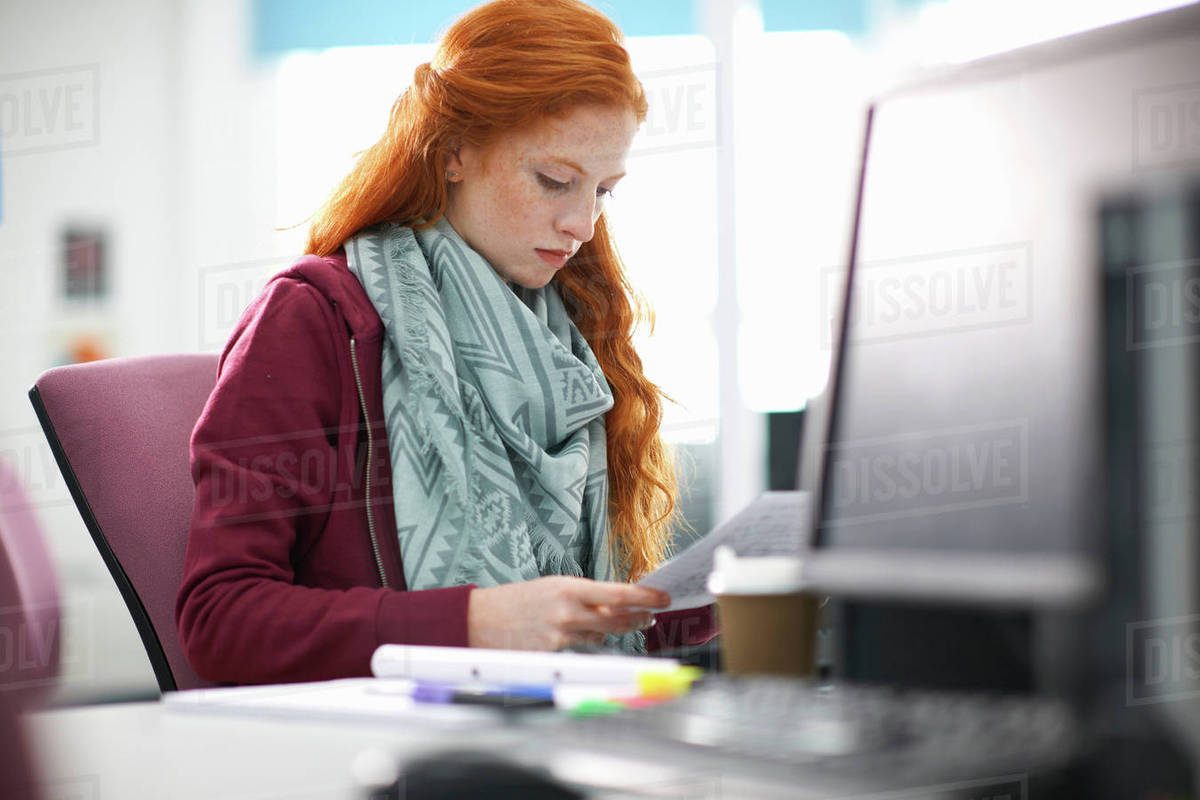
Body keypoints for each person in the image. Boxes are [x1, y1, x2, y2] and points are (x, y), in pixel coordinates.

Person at [175, 0, 716, 685]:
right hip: (385, 752)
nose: (582, 223)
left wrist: (724, 596)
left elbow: (572, 628)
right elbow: (221, 622)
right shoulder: (314, 321)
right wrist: (473, 625)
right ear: (454, 151)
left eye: (604, 191)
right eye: (554, 180)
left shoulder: (570, 334)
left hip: (547, 731)